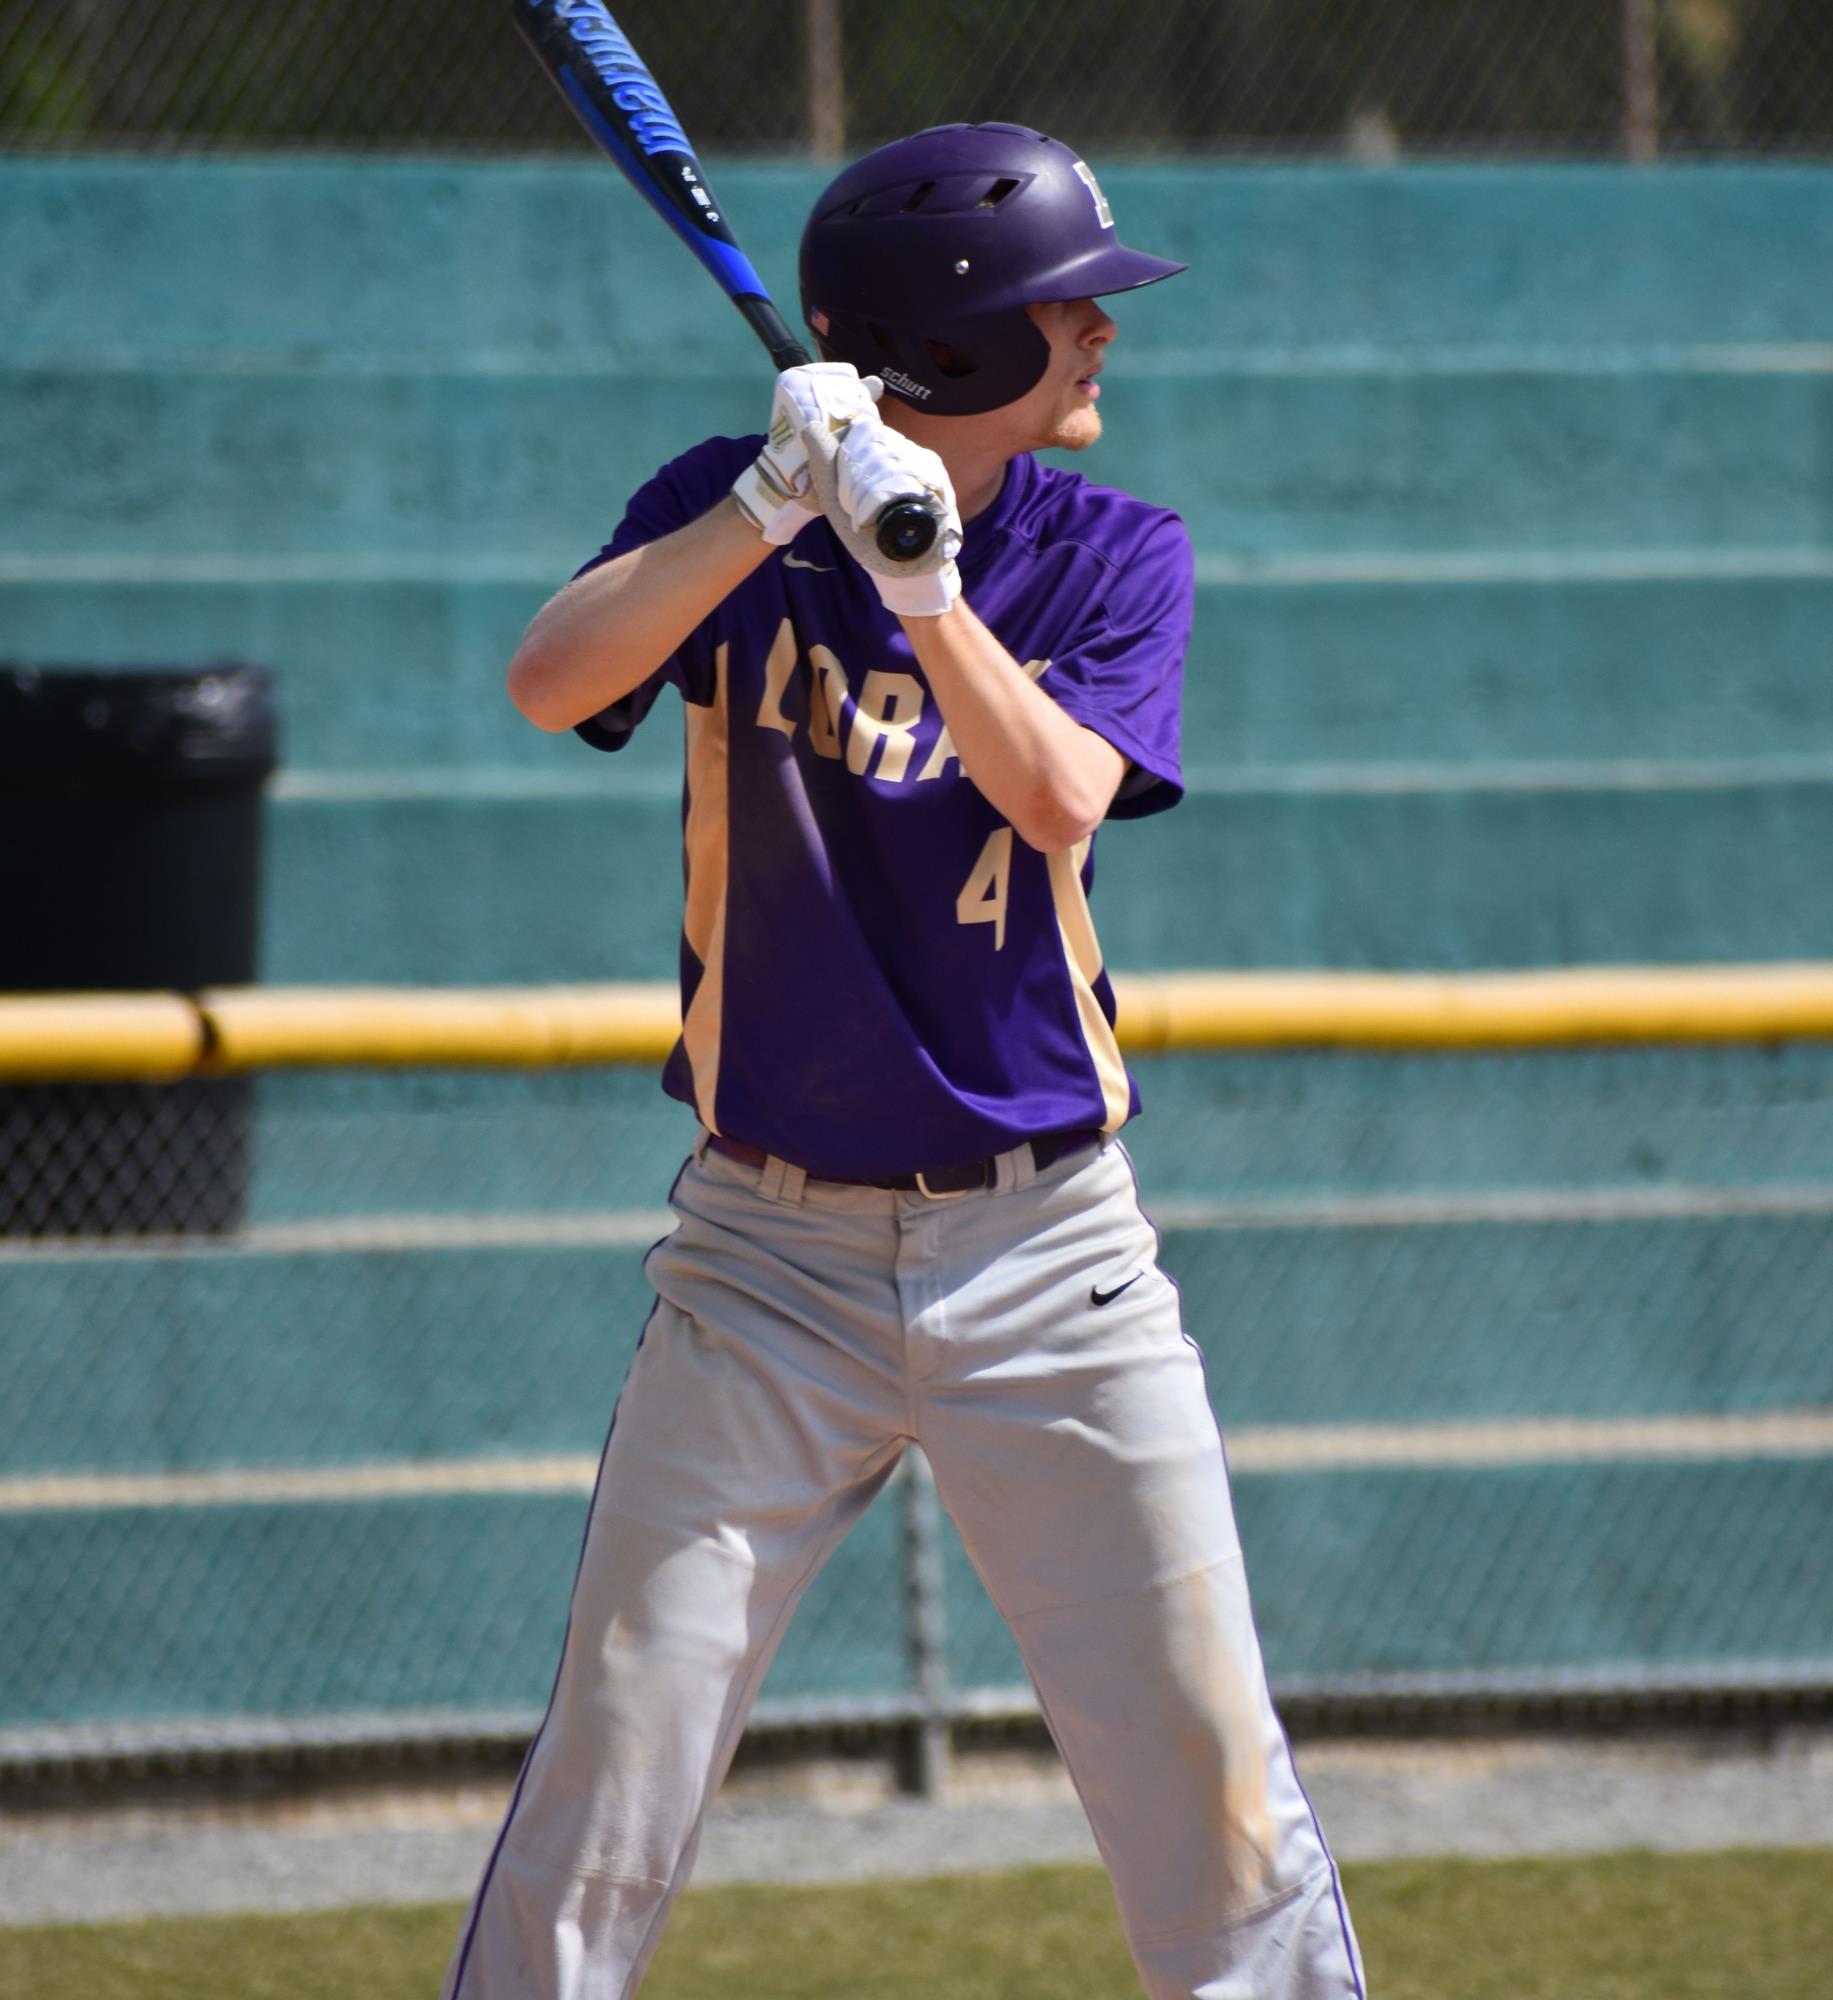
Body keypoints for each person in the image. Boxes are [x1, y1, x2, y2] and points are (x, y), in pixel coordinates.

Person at [441, 122, 1366, 2000]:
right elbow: (551, 680)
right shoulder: (737, 506)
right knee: (613, 1773)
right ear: (946, 351)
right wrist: (773, 508)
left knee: (1206, 1777)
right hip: (760, 1266)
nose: (1099, 340)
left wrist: (926, 585)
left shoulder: (1115, 554)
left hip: (1053, 1265)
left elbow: (1054, 800)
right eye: (1061, 312)